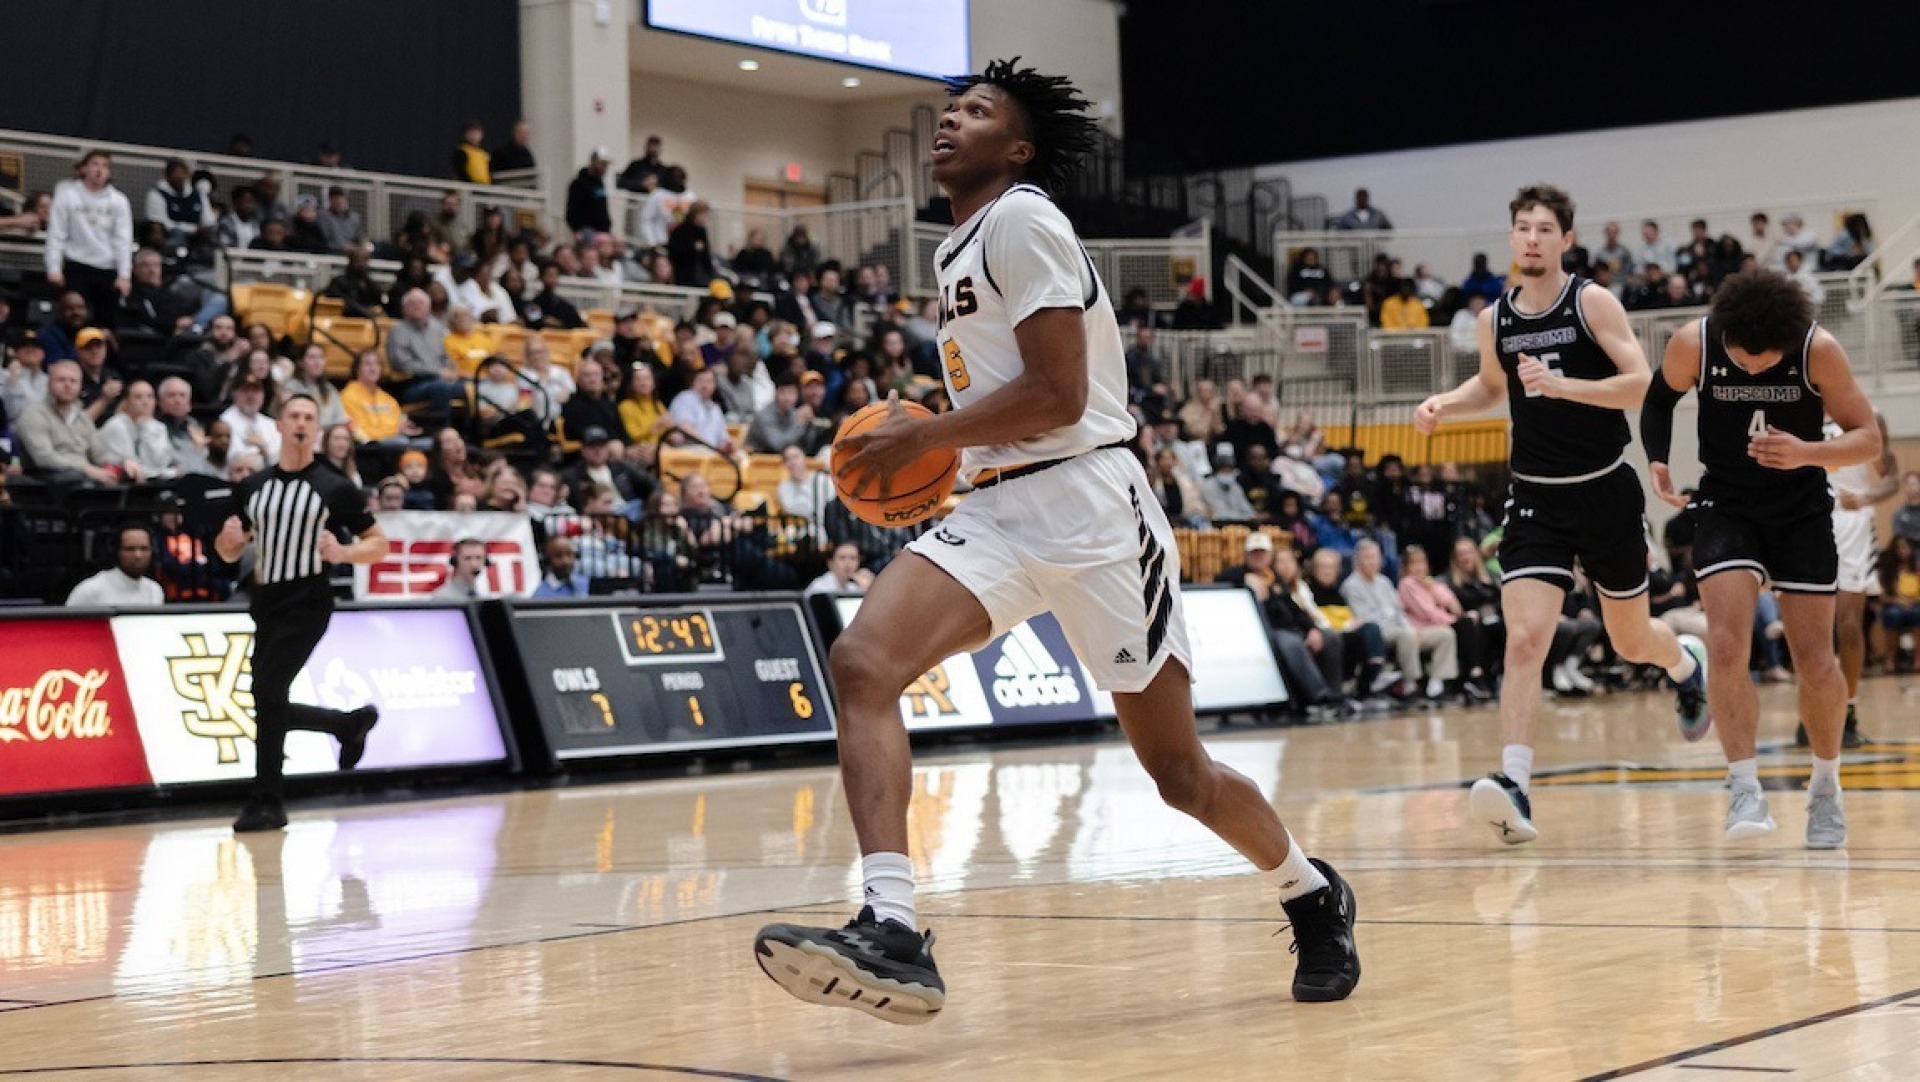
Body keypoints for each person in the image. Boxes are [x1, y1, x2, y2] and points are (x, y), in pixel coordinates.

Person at [751, 60, 1359, 1024]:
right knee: (862, 661)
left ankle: (1310, 893)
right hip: (994, 506)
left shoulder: (1025, 219)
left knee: (1179, 776)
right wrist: (946, 449)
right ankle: (892, 926)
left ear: (1019, 149)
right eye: (947, 111)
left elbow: (1060, 395)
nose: (951, 122)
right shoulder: (956, 247)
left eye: (978, 112)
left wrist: (922, 437)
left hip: (1091, 510)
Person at [1414, 184, 1708, 846]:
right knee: (1525, 639)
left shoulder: (1592, 302)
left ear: (1566, 240)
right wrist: (1445, 402)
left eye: (1545, 228)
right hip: (1535, 497)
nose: (1532, 239)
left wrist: (1565, 386)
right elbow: (1493, 386)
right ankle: (1515, 786)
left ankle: (1686, 663)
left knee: (1632, 639)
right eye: (1522, 228)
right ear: (1512, 237)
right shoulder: (1496, 318)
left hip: (1604, 490)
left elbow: (1642, 383)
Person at [1641, 269, 1879, 848]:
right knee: (1726, 643)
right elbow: (1658, 398)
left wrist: (1808, 453)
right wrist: (1657, 459)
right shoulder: (1693, 342)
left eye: (1763, 360)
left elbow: (1868, 437)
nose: (1751, 367)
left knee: (1816, 661)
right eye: (1741, 359)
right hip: (1726, 507)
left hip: (1799, 512)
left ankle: (1825, 787)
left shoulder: (1816, 349)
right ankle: (1743, 786)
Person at [213, 394, 386, 832]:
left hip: (308, 599)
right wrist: (229, 544)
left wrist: (344, 551)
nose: (301, 423)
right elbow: (228, 546)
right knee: (266, 699)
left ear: (318, 430)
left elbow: (379, 543)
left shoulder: (334, 487)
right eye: (294, 416)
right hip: (265, 600)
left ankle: (268, 802)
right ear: (279, 424)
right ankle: (348, 724)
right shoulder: (253, 487)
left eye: (310, 417)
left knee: (268, 694)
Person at [1813, 412, 1896, 748]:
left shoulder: (1870, 415)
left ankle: (1847, 711)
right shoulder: (1796, 404)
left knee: (1848, 625)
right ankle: (1813, 711)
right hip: (1808, 520)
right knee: (1808, 631)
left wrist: (1867, 498)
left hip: (1852, 524)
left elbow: (1890, 478)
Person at [46, 150, 134, 326]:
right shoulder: (67, 196)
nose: (99, 170)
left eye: (105, 166)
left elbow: (123, 240)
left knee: (107, 324)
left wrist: (125, 275)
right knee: (73, 320)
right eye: (95, 164)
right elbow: (56, 234)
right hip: (77, 267)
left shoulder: (119, 201)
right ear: (84, 168)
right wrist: (53, 267)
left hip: (107, 269)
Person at [67, 524, 165, 606]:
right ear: (116, 552)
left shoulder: (155, 589)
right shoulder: (90, 590)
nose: (138, 555)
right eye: (130, 549)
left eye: (144, 549)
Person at [804, 540, 874, 596]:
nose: (848, 563)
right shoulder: (820, 587)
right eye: (842, 558)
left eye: (853, 558)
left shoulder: (854, 588)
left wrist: (869, 589)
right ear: (830, 563)